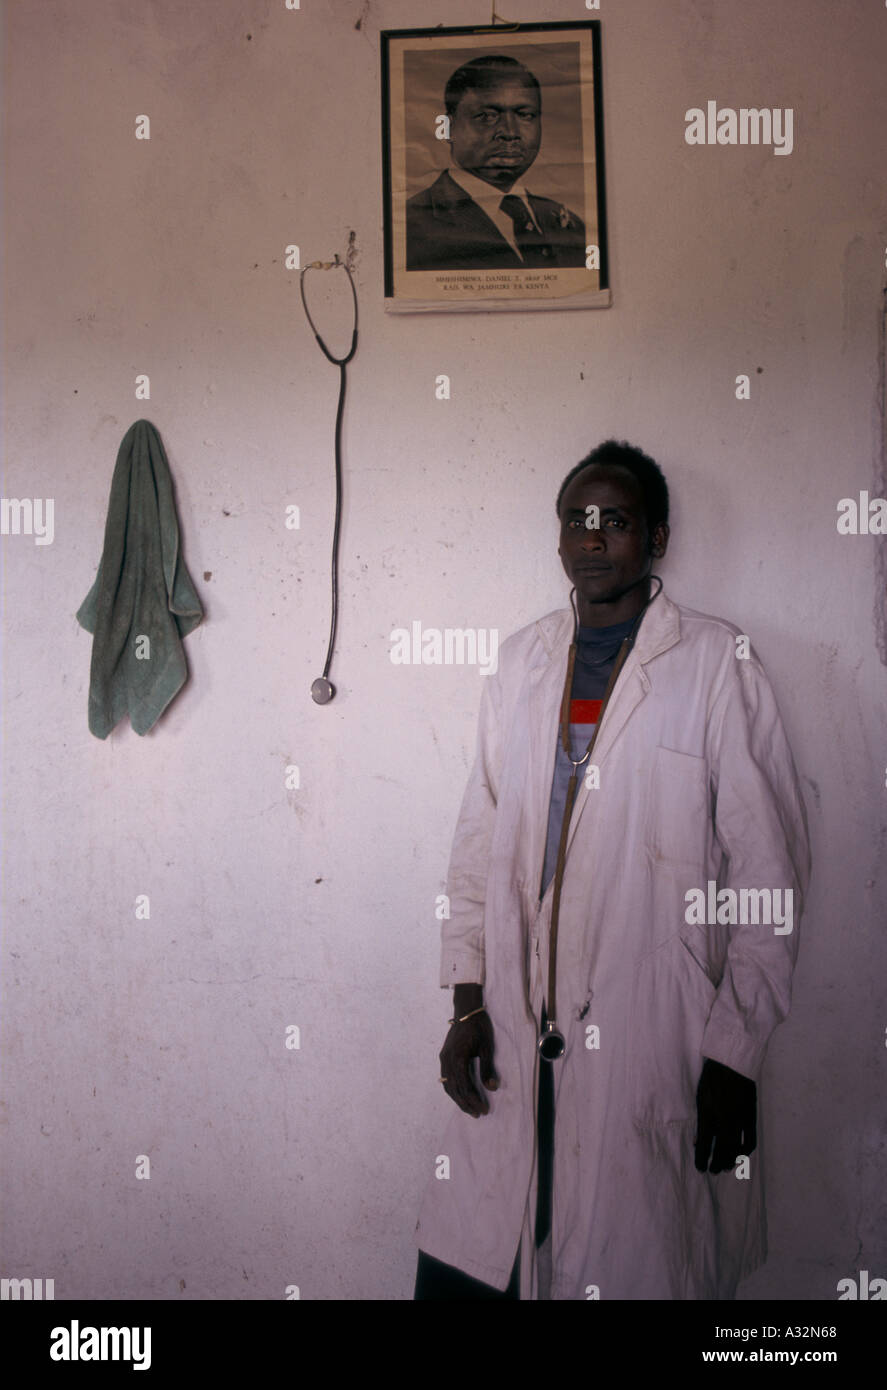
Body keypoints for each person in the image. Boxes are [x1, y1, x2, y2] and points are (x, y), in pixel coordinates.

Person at [414, 440, 811, 1300]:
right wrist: (467, 1000)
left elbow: (768, 876)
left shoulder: (715, 664)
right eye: (575, 520)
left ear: (656, 538)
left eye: (615, 521)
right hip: (515, 1025)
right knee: (486, 1259)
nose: (591, 538)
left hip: (653, 1033)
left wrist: (734, 1055)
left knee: (636, 1256)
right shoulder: (518, 664)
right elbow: (477, 843)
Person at [405, 55, 587, 273]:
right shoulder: (411, 227)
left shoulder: (568, 224)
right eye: (488, 116)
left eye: (525, 115)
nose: (510, 132)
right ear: (448, 128)